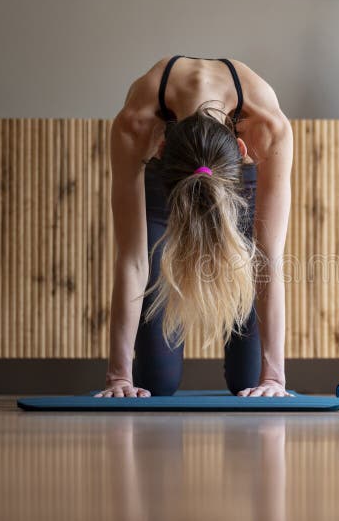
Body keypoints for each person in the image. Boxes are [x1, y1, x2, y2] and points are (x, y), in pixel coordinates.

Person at [96, 56, 292, 398]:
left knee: (249, 380)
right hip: (167, 185)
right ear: (159, 148)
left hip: (234, 185)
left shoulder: (267, 125)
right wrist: (118, 377)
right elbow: (133, 260)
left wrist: (273, 378)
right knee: (156, 383)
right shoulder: (136, 123)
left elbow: (268, 259)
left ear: (242, 147)